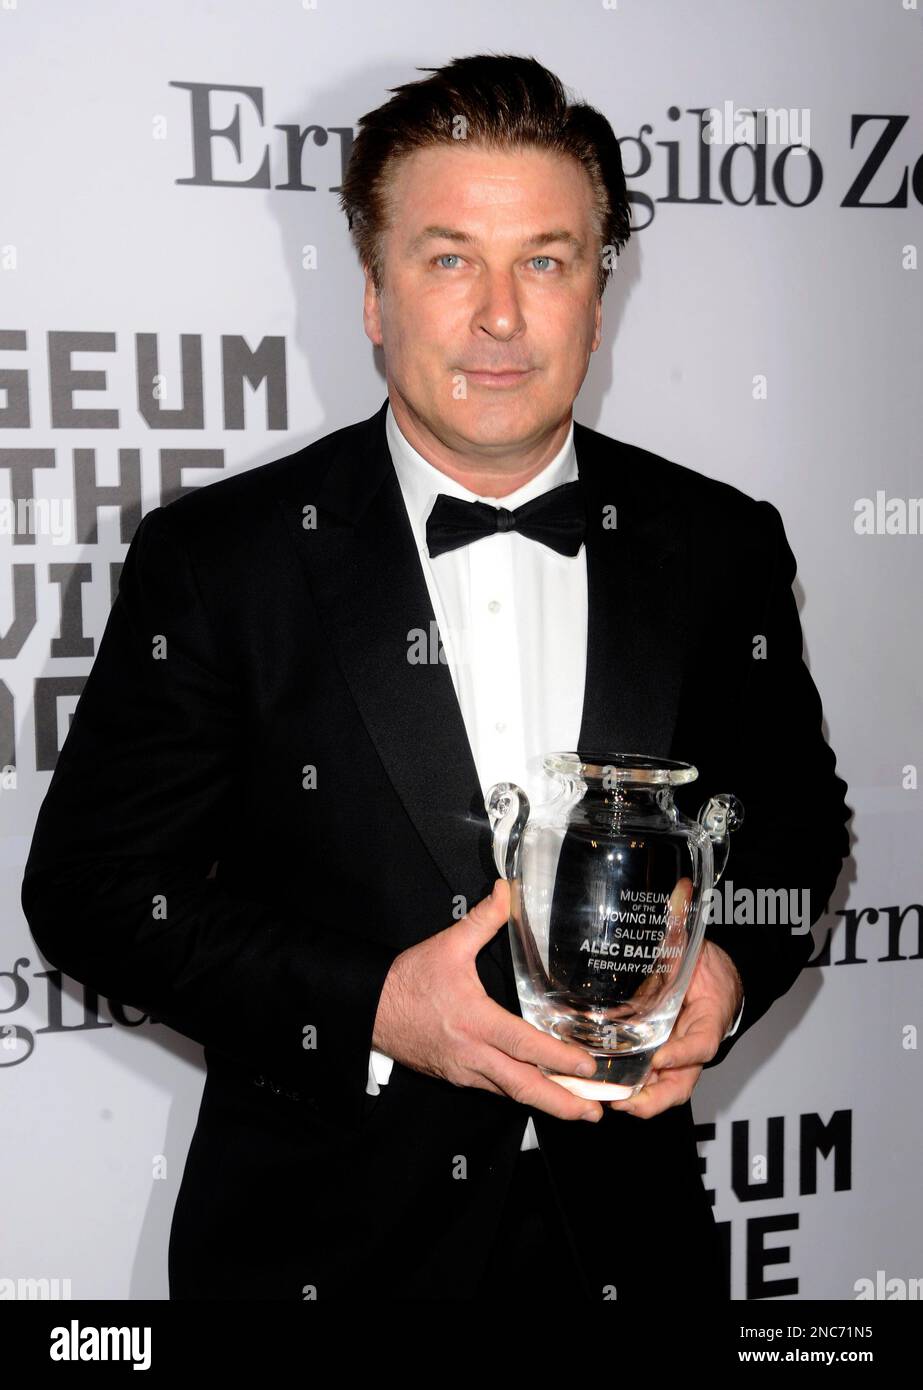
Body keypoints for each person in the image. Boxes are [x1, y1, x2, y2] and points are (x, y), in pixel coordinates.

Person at [21, 54, 850, 1301]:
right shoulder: (221, 559)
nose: (501, 317)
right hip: (317, 1258)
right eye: (450, 258)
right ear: (373, 293)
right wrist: (374, 1005)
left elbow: (793, 823)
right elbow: (92, 892)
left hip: (629, 1255)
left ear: (598, 294)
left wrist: (723, 972)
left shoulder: (717, 544)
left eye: (545, 261)